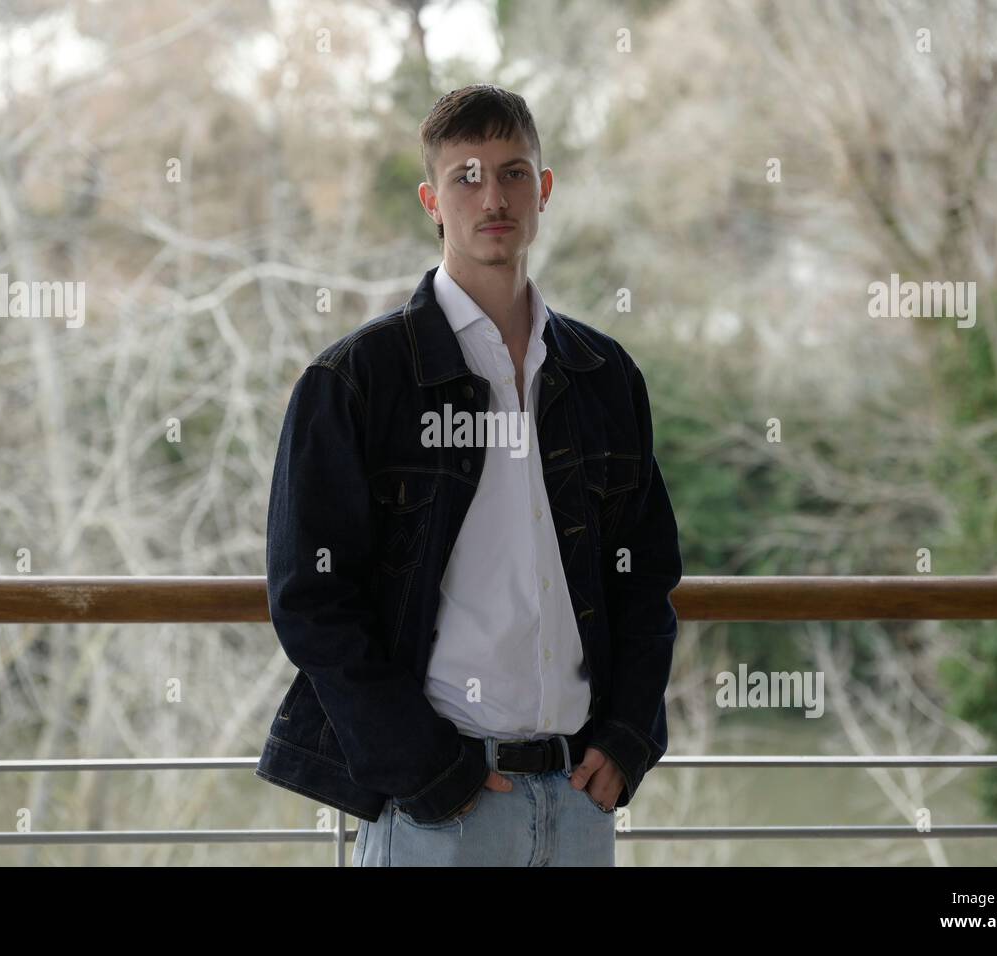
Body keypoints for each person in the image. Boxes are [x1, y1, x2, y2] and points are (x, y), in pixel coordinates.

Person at [255, 84, 683, 866]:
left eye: (515, 172)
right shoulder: (357, 379)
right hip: (440, 811)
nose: (494, 196)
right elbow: (310, 597)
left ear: (544, 190)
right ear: (432, 199)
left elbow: (645, 578)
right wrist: (420, 769)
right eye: (468, 175)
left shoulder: (604, 375)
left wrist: (628, 737)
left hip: (581, 798)